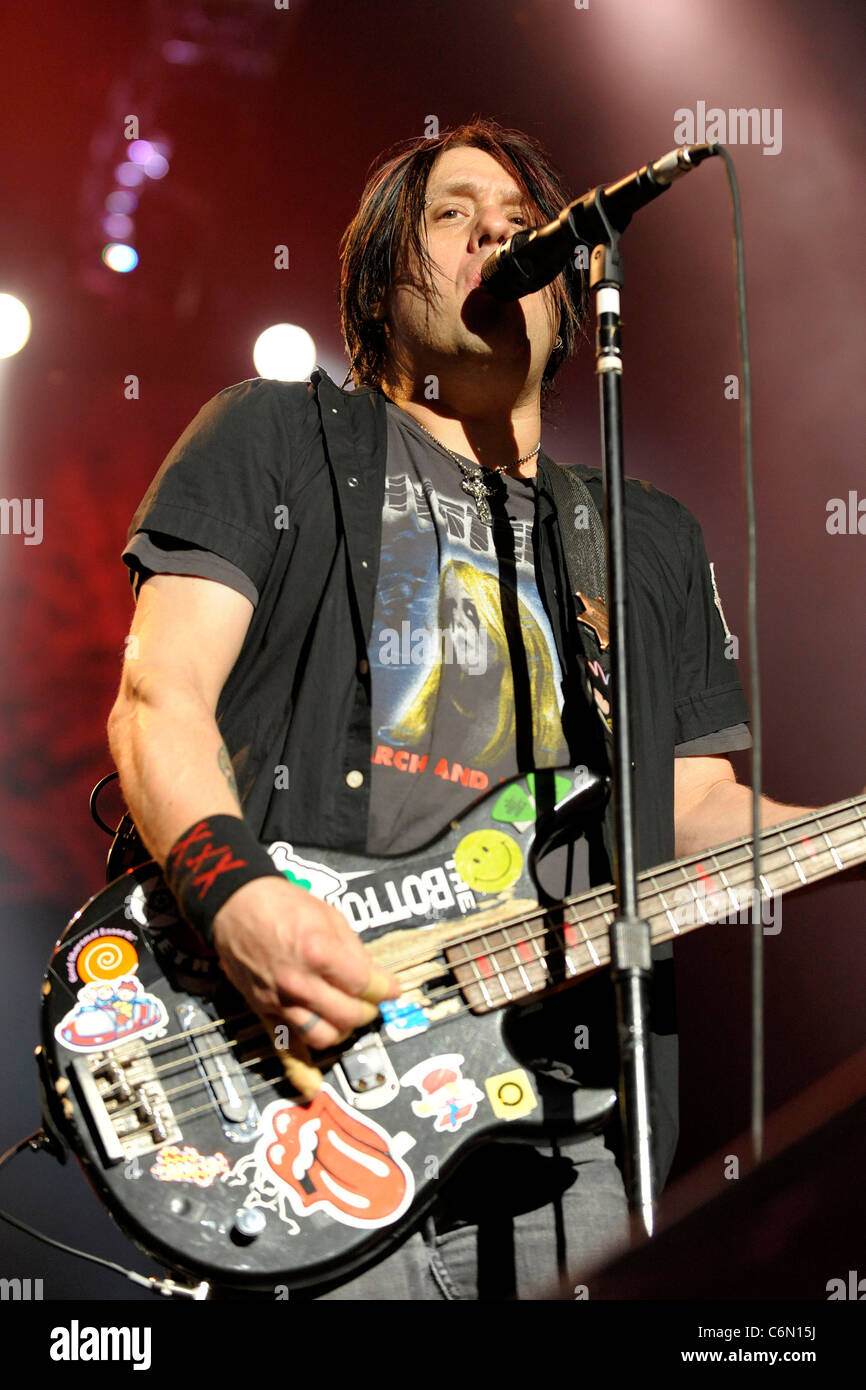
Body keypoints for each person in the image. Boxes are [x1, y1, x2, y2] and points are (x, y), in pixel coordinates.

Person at [108, 119, 819, 1300]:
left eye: (519, 218)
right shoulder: (275, 437)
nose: (500, 231)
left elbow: (695, 813)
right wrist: (233, 897)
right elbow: (155, 697)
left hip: (561, 1125)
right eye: (453, 213)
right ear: (379, 284)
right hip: (303, 1090)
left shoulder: (643, 536)